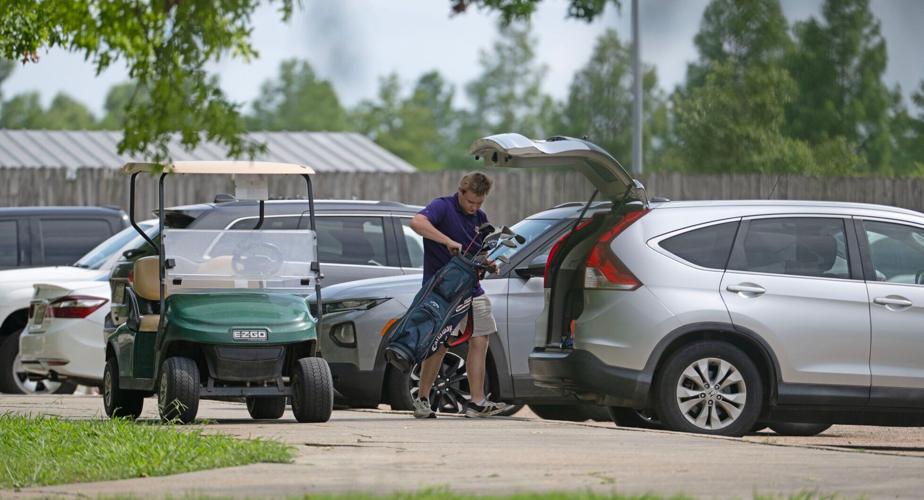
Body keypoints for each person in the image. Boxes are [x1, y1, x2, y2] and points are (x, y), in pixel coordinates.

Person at [408, 172, 508, 419]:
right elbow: (417, 223)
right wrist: (446, 241)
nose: (474, 207)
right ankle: (422, 399)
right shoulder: (442, 207)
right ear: (461, 192)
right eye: (471, 202)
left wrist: (489, 263)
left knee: (480, 339)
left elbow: (479, 253)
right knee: (438, 345)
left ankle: (476, 402)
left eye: (479, 203)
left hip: (472, 289)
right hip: (442, 292)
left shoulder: (480, 218)